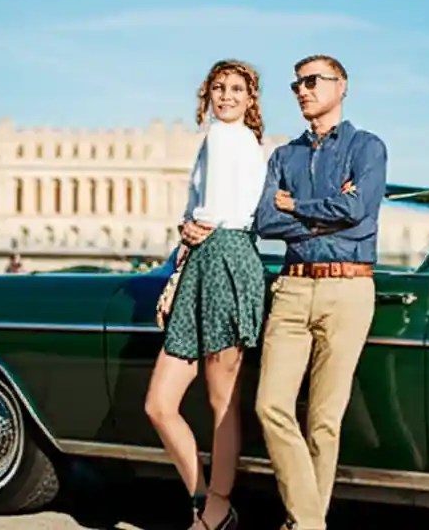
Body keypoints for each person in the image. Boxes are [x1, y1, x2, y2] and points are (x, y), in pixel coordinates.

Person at [252, 54, 388, 530]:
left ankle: (302, 523)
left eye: (312, 81)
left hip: (348, 290)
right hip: (291, 288)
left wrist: (298, 208)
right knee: (270, 406)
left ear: (341, 85)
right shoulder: (283, 156)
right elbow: (267, 221)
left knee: (325, 422)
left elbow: (359, 211)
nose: (302, 90)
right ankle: (311, 523)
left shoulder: (367, 147)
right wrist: (325, 213)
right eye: (296, 84)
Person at [146, 60, 269, 530]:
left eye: (237, 89)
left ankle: (216, 508)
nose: (227, 96)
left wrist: (198, 225)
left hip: (227, 258)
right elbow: (195, 207)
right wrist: (188, 227)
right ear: (207, 94)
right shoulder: (215, 139)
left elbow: (220, 210)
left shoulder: (232, 138)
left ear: (251, 98)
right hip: (203, 260)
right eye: (219, 88)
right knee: (160, 403)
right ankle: (205, 500)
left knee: (222, 400)